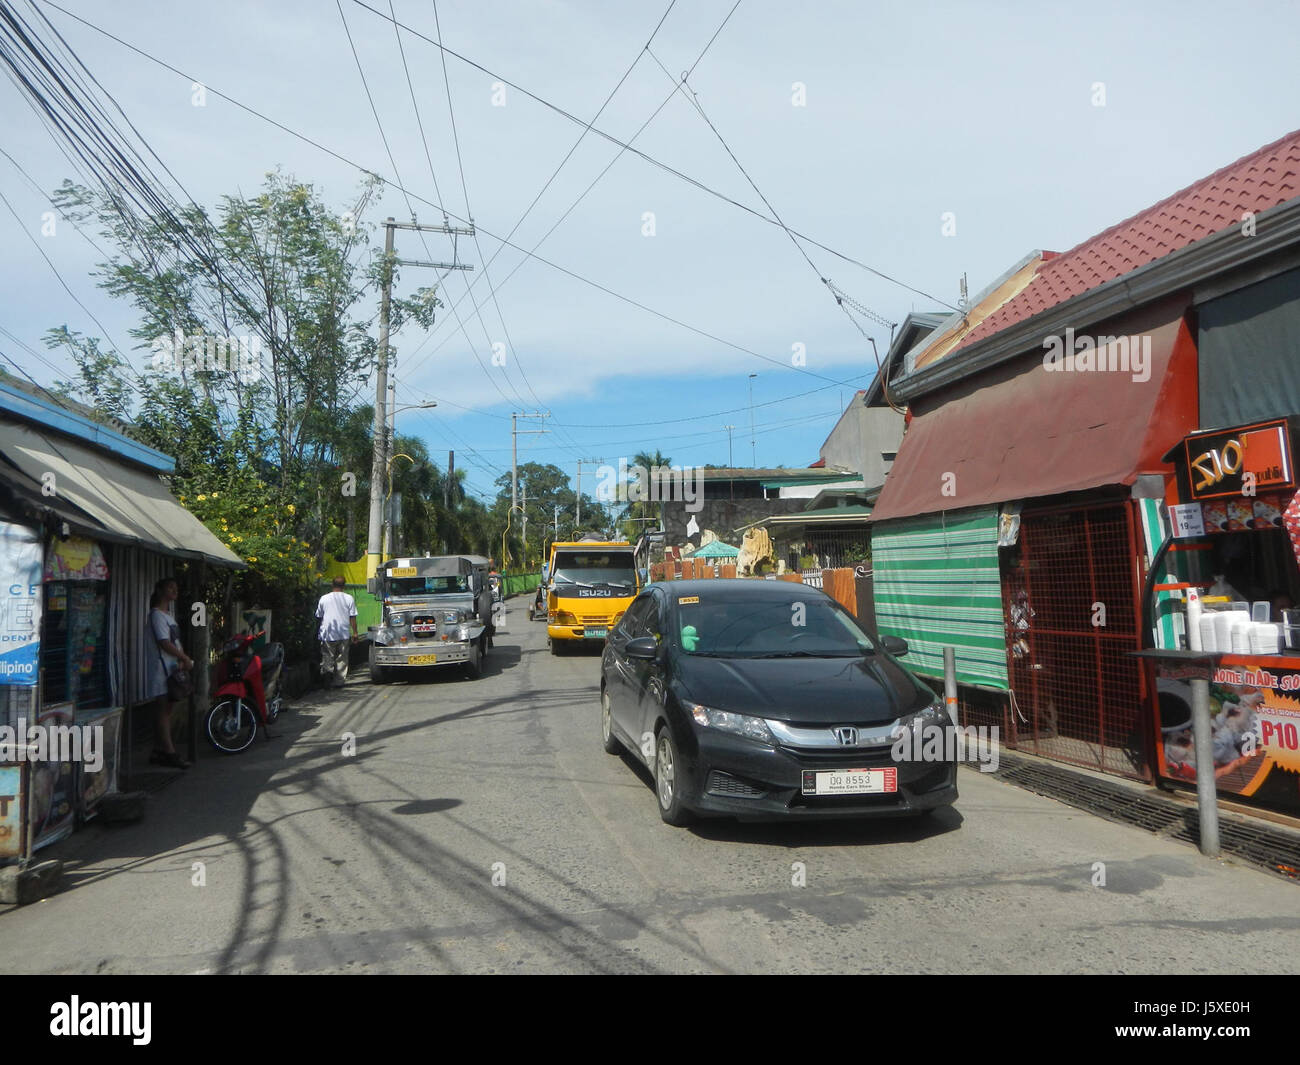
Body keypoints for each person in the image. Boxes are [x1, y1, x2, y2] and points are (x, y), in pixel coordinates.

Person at [146, 577, 193, 769]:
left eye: (176, 588)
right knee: (163, 711)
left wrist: (181, 660)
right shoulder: (156, 615)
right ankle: (170, 752)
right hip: (161, 669)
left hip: (172, 668)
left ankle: (159, 749)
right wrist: (185, 657)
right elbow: (164, 642)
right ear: (160, 590)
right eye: (170, 588)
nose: (175, 591)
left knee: (167, 710)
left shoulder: (167, 615)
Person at [316, 577, 358, 688]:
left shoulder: (324, 598)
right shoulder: (349, 598)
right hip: (343, 634)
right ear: (344, 586)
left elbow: (319, 616)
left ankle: (326, 680)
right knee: (342, 659)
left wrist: (319, 631)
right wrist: (355, 633)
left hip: (327, 633)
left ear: (332, 585)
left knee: (327, 657)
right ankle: (339, 682)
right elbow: (352, 617)